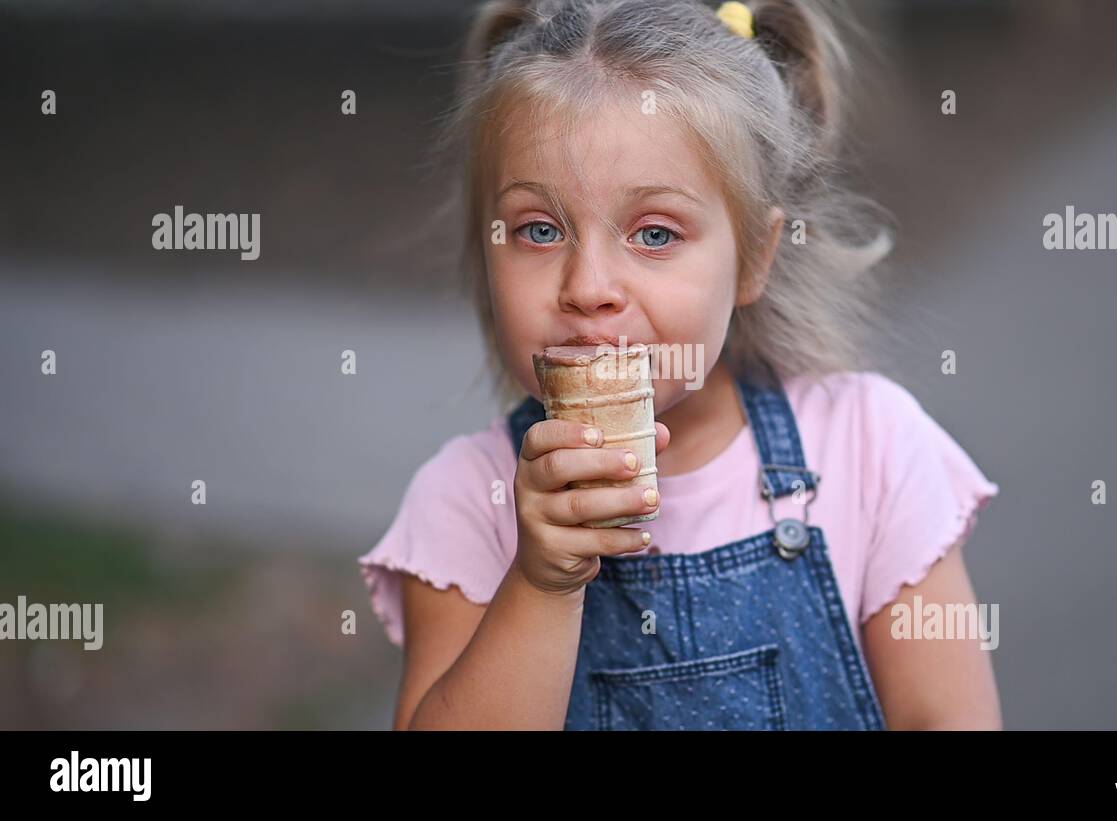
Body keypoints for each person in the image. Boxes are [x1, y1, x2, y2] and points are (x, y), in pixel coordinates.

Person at [360, 0, 1002, 730]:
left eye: (656, 233)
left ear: (755, 256)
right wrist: (540, 586)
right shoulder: (466, 502)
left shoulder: (869, 449)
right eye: (539, 229)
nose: (588, 288)